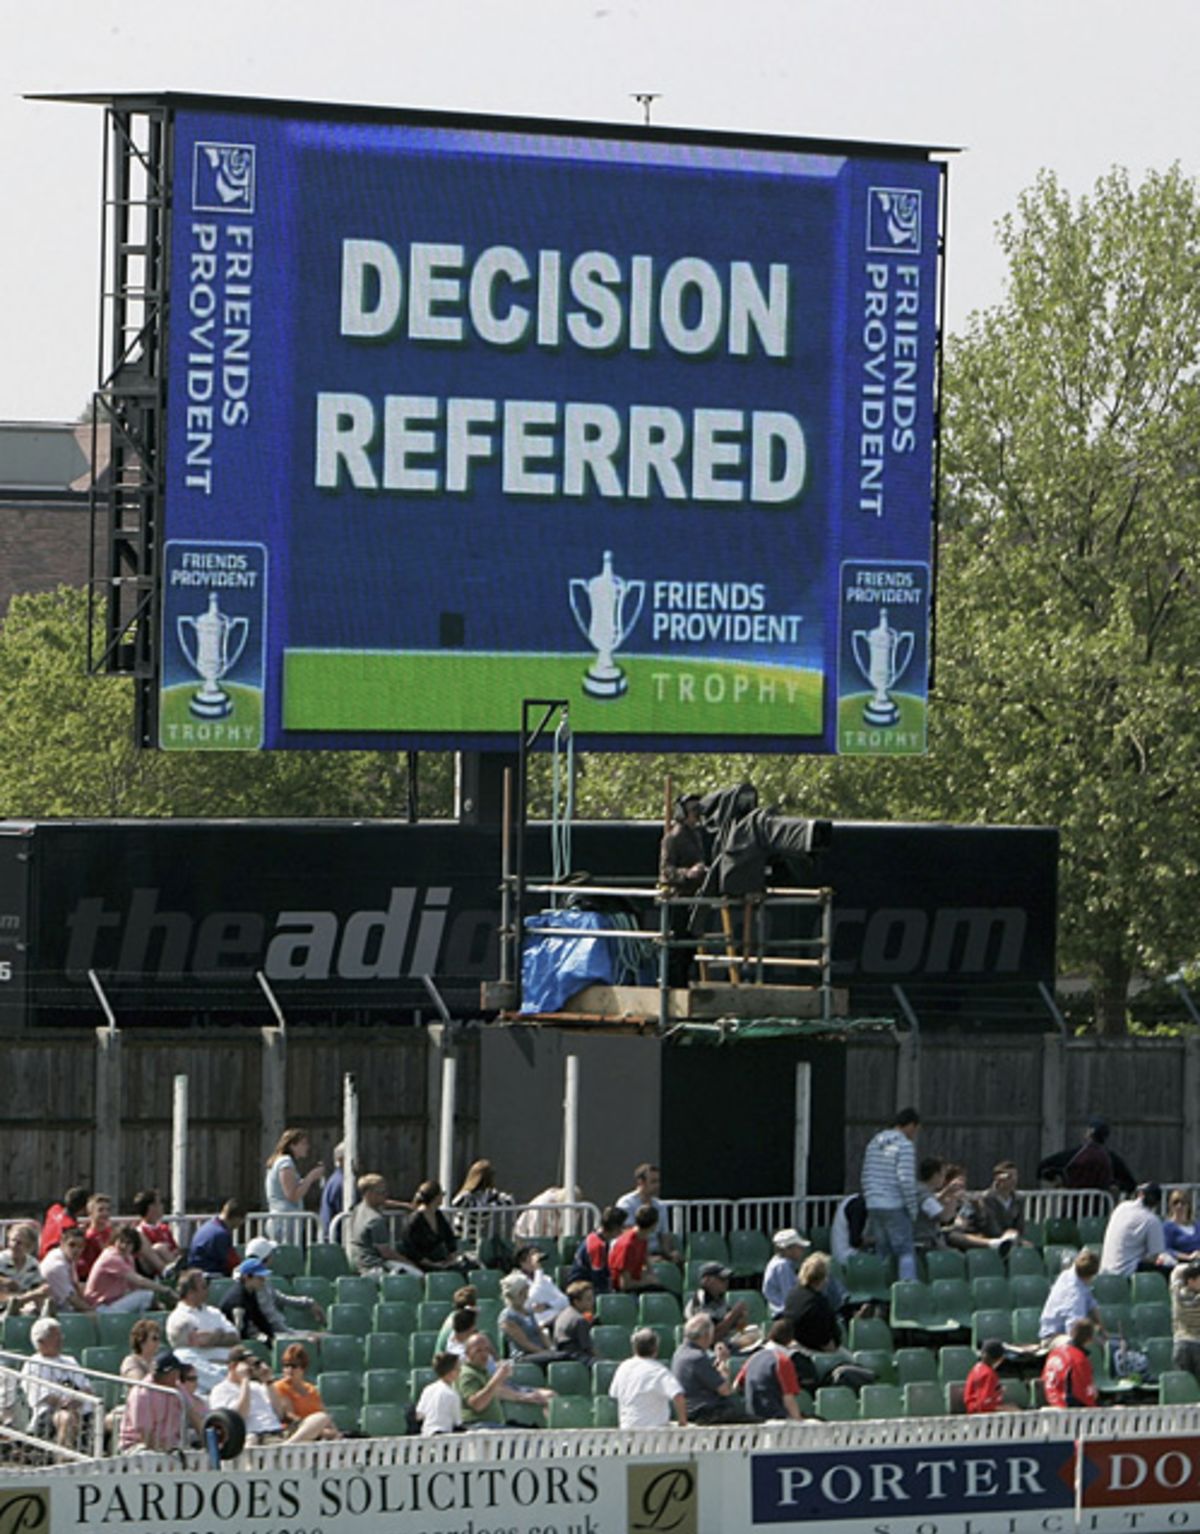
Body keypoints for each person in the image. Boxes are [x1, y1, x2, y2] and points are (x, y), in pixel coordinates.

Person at [861, 1107, 921, 1282]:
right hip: (894, 1203)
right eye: (916, 1129)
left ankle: (878, 1290)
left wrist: (870, 1198)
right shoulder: (904, 1145)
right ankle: (908, 1291)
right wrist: (913, 1208)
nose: (915, 1134)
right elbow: (906, 1180)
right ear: (910, 1125)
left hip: (874, 1203)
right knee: (905, 1251)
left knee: (882, 1251)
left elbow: (866, 1174)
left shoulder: (874, 1142)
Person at [21, 1316, 97, 1448]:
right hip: (49, 1415)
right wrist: (66, 1404)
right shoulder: (33, 1364)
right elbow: (44, 1396)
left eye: (60, 1335)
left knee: (114, 1418)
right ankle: (63, 1460)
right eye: (55, 1336)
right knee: (67, 1418)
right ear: (41, 1341)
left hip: (82, 1410)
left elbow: (87, 1388)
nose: (61, 1339)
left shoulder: (70, 1361)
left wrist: (77, 1400)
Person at [670, 1313, 755, 1424]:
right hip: (707, 1414)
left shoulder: (679, 1353)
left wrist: (718, 1360)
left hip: (692, 1412)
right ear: (706, 1336)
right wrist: (723, 1363)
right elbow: (725, 1390)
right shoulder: (697, 1357)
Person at [659, 793, 708, 987]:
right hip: (678, 898)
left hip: (693, 899)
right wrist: (687, 873)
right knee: (676, 948)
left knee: (689, 948)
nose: (697, 815)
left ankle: (684, 984)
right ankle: (673, 988)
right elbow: (666, 870)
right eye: (693, 811)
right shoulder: (674, 837)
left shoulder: (695, 835)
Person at [456, 1330, 553, 1427]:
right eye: (478, 1350)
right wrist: (498, 1378)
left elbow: (495, 1391)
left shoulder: (482, 1371)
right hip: (479, 1426)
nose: (484, 1354)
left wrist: (523, 1396)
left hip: (493, 1425)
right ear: (467, 1353)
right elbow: (477, 1405)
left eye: (486, 1350)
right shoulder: (467, 1374)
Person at [166, 1268, 240, 1392]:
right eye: (204, 1286)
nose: (208, 1289)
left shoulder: (214, 1312)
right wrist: (220, 1334)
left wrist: (213, 1337)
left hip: (229, 1364)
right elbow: (198, 1342)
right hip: (205, 1370)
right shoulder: (179, 1317)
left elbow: (235, 1337)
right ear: (190, 1292)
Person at [242, 1236, 326, 1334]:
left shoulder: (262, 1278)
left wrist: (308, 1302)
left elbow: (278, 1297)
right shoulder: (254, 1284)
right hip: (267, 1334)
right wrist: (291, 1334)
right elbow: (269, 1318)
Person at [84, 1224, 175, 1313]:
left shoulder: (128, 1257)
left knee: (145, 1296)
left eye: (128, 1243)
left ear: (134, 1245)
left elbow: (134, 1286)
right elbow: (140, 1281)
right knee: (146, 1296)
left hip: (112, 1304)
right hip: (99, 1308)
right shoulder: (111, 1257)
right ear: (115, 1240)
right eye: (121, 1241)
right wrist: (166, 1290)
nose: (123, 1246)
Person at [609, 1327, 688, 1428]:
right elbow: (678, 1396)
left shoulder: (623, 1368)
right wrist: (682, 1423)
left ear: (634, 1348)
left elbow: (613, 1394)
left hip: (627, 1432)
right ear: (656, 1348)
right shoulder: (659, 1371)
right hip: (656, 1436)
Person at [209, 1346, 289, 1445]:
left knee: (313, 1421)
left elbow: (279, 1414)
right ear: (232, 1367)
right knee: (252, 1440)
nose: (250, 1368)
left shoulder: (257, 1386)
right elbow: (240, 1416)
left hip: (277, 1431)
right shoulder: (221, 1390)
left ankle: (287, 1444)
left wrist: (268, 1381)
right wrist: (245, 1380)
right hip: (256, 1436)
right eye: (246, 1364)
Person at [119, 1352, 194, 1453]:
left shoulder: (178, 1390)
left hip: (170, 1449)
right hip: (137, 1449)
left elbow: (193, 1414)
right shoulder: (142, 1394)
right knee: (147, 1454)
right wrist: (161, 1458)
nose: (177, 1376)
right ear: (169, 1373)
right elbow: (145, 1436)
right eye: (175, 1372)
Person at [346, 1175, 420, 1277]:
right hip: (373, 1267)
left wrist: (404, 1205)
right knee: (419, 1275)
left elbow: (384, 1202)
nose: (385, 1195)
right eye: (381, 1192)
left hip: (358, 1263)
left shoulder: (358, 1209)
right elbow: (386, 1253)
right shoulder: (375, 1220)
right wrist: (410, 1263)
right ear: (368, 1193)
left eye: (386, 1191)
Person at [1038, 1119, 1135, 1195]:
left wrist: (1058, 1180)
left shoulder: (1074, 1155)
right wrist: (1116, 1186)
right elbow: (1130, 1185)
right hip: (1100, 1212)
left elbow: (1042, 1168)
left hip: (1072, 1209)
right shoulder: (1111, 1158)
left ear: (1089, 1133)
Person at [735, 1318, 805, 1421]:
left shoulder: (753, 1358)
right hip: (776, 1420)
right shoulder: (782, 1361)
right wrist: (800, 1422)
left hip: (753, 1419)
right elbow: (788, 1399)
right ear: (790, 1340)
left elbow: (736, 1385)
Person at [265, 1128, 325, 1243]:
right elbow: (292, 1195)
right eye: (303, 1143)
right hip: (284, 1223)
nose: (307, 1147)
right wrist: (311, 1177)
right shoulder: (285, 1163)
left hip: (287, 1221)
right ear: (292, 1145)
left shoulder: (283, 1162)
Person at [1100, 1184, 1175, 1275]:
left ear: (1139, 1194)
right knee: (1172, 1270)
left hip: (1105, 1270)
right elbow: (1155, 1256)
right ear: (1157, 1203)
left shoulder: (1121, 1207)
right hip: (1127, 1273)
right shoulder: (1152, 1220)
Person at [272, 1342, 340, 1439]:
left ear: (303, 1368)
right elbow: (291, 1418)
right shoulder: (279, 1387)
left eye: (293, 1366)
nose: (289, 1369)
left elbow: (324, 1414)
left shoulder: (311, 1389)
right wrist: (318, 1431)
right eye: (286, 1366)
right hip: (295, 1434)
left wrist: (334, 1432)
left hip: (318, 1434)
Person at [616, 1164, 682, 1263]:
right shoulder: (626, 1204)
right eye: (653, 1182)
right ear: (640, 1182)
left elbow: (664, 1236)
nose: (657, 1185)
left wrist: (670, 1254)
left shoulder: (660, 1206)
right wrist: (645, 1259)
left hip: (657, 1254)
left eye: (658, 1181)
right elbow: (628, 1237)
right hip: (633, 1255)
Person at [498, 1272, 568, 1365]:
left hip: (541, 1353)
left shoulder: (528, 1311)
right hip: (523, 1356)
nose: (527, 1295)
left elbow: (540, 1332)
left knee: (565, 1355)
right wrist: (546, 1353)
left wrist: (551, 1349)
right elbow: (525, 1344)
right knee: (562, 1357)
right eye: (524, 1292)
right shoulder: (507, 1317)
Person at [402, 1181, 470, 1274]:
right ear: (436, 1197)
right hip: (423, 1264)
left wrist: (452, 1256)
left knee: (468, 1265)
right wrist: (432, 1264)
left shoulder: (438, 1215)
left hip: (440, 1260)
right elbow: (412, 1250)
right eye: (441, 1194)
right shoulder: (414, 1221)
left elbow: (449, 1237)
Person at [1039, 1249, 1105, 1342]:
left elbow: (1091, 1304)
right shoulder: (1075, 1296)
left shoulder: (1070, 1274)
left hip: (1065, 1334)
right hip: (1053, 1339)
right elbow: (1074, 1332)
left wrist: (1101, 1326)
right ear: (1090, 1276)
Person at [451, 1160, 515, 1254]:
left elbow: (509, 1200)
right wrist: (485, 1207)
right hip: (463, 1236)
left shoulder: (489, 1194)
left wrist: (492, 1204)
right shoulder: (467, 1194)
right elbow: (457, 1203)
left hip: (479, 1237)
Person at [685, 1262, 749, 1345]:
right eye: (721, 1279)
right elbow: (711, 1338)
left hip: (725, 1346)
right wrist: (734, 1314)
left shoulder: (721, 1301)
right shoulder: (698, 1302)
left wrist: (742, 1321)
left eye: (727, 1279)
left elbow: (739, 1330)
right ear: (707, 1280)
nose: (726, 1282)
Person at [566, 1206, 627, 1294]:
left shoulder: (601, 1239)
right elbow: (598, 1278)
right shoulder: (597, 1245)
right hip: (581, 1289)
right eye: (622, 1227)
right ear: (614, 1227)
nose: (623, 1230)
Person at [1042, 1319, 1098, 1408]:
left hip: (1050, 1401)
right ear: (1089, 1339)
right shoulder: (1078, 1359)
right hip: (1067, 1408)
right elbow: (1084, 1393)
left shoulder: (1055, 1352)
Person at [219, 1257, 278, 1340]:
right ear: (247, 1277)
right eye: (260, 1278)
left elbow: (258, 1317)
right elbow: (238, 1330)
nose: (263, 1281)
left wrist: (271, 1337)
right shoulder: (238, 1299)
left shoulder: (250, 1292)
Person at [513, 1243, 569, 1325]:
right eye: (531, 1256)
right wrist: (538, 1270)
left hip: (554, 1319)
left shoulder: (545, 1279)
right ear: (522, 1262)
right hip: (534, 1324)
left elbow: (564, 1301)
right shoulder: (516, 1280)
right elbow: (532, 1297)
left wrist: (547, 1305)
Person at [609, 1206, 662, 1293]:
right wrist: (646, 1282)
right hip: (623, 1292)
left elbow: (645, 1259)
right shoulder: (627, 1245)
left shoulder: (643, 1238)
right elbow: (624, 1284)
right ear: (654, 1225)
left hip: (637, 1284)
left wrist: (651, 1276)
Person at [0, 1221, 50, 1314]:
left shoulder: (32, 1264)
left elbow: (36, 1285)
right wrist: (4, 1280)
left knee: (42, 1293)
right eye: (12, 1240)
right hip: (3, 1301)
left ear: (29, 1246)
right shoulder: (2, 1259)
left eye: (19, 1243)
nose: (14, 1245)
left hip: (25, 1302)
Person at [41, 1228, 94, 1314]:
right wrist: (91, 1309)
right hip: (45, 1312)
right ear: (62, 1243)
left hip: (59, 1308)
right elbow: (72, 1299)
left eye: (80, 1246)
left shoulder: (67, 1258)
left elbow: (75, 1286)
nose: (76, 1250)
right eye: (72, 1245)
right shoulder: (57, 1266)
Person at [186, 1199, 245, 1276]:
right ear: (236, 1218)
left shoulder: (208, 1225)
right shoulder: (221, 1234)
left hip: (194, 1271)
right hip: (209, 1274)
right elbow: (231, 1262)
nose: (242, 1223)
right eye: (242, 1219)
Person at [131, 1189, 181, 1276]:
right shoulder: (140, 1231)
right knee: (159, 1248)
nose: (162, 1206)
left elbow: (175, 1249)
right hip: (151, 1272)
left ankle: (178, 1274)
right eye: (159, 1203)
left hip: (169, 1261)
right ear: (151, 1207)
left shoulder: (164, 1228)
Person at [763, 1230, 810, 1318]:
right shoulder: (783, 1266)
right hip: (783, 1313)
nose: (802, 1250)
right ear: (787, 1249)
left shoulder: (777, 1262)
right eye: (798, 1247)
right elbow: (789, 1296)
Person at [417, 1351, 465, 1436]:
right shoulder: (452, 1395)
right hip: (444, 1438)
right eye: (458, 1368)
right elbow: (457, 1422)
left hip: (426, 1436)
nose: (460, 1371)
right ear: (450, 1371)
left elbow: (419, 1415)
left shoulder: (428, 1389)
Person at [39, 1186, 89, 1261]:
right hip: (53, 1259)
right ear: (83, 1209)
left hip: (41, 1256)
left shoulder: (54, 1209)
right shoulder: (70, 1227)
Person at [552, 1280, 596, 1363]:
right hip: (575, 1357)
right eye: (588, 1299)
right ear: (577, 1302)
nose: (592, 1302)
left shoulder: (563, 1313)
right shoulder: (580, 1320)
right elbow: (588, 1349)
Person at [77, 1192, 114, 1281]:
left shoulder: (112, 1233)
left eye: (108, 1210)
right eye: (100, 1210)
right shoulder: (88, 1237)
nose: (105, 1213)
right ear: (91, 1213)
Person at [963, 1339, 1007, 1414]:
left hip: (975, 1411)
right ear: (999, 1359)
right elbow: (985, 1405)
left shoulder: (977, 1368)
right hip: (980, 1417)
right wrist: (1006, 1409)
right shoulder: (988, 1374)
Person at [121, 1316, 166, 1382]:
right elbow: (139, 1383)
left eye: (159, 1338)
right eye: (154, 1338)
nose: (158, 1342)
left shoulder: (155, 1362)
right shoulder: (131, 1361)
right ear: (141, 1340)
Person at [1164, 1191, 1200, 1260]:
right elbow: (1166, 1250)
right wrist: (1188, 1257)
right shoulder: (1167, 1227)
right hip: (1182, 1264)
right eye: (1175, 1203)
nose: (1179, 1206)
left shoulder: (1197, 1225)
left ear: (1188, 1205)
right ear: (1171, 1206)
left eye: (1183, 1203)